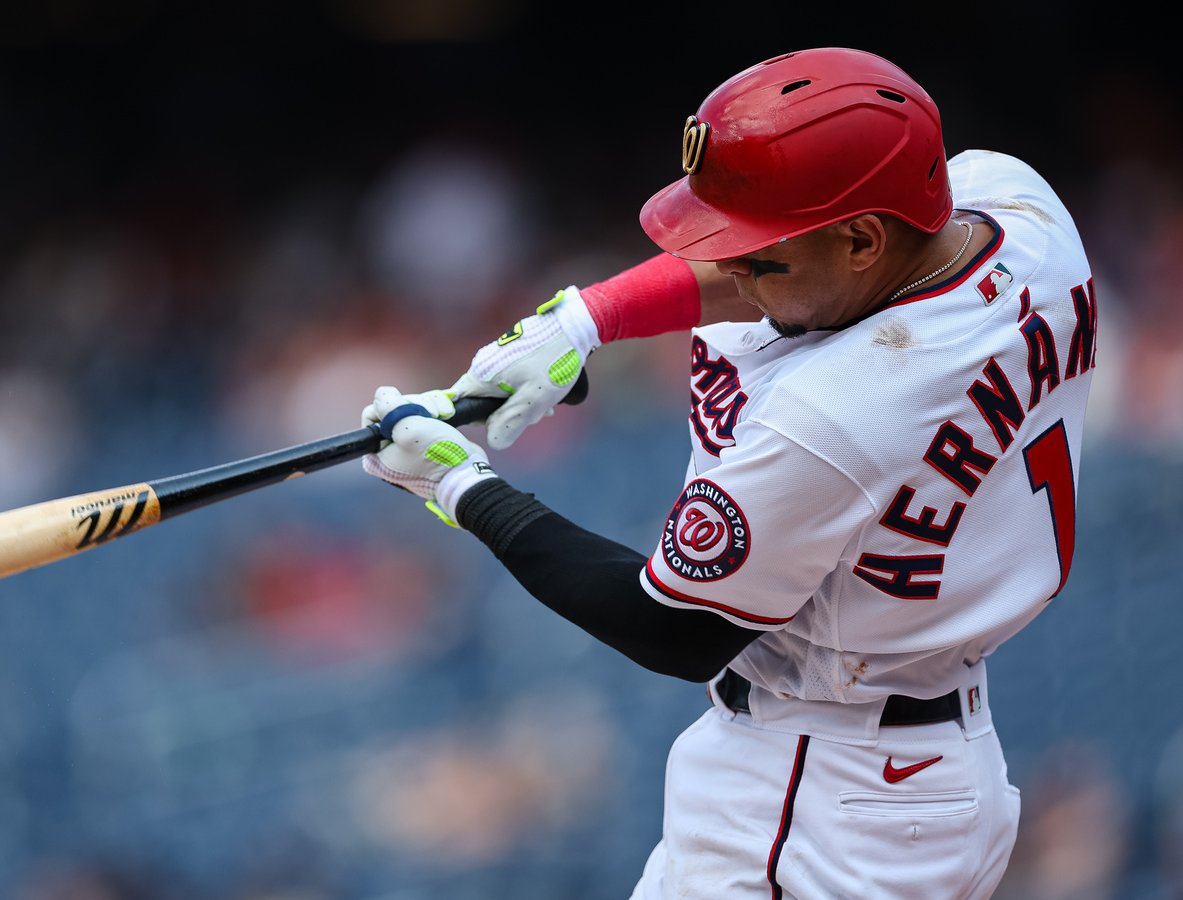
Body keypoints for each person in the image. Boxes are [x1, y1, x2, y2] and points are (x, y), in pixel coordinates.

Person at [359, 47, 1097, 899]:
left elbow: (671, 627)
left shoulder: (842, 412)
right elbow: (823, 258)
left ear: (863, 240)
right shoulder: (1022, 211)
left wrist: (461, 487)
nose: (735, 270)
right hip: (925, 766)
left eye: (760, 258)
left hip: (820, 801)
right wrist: (592, 319)